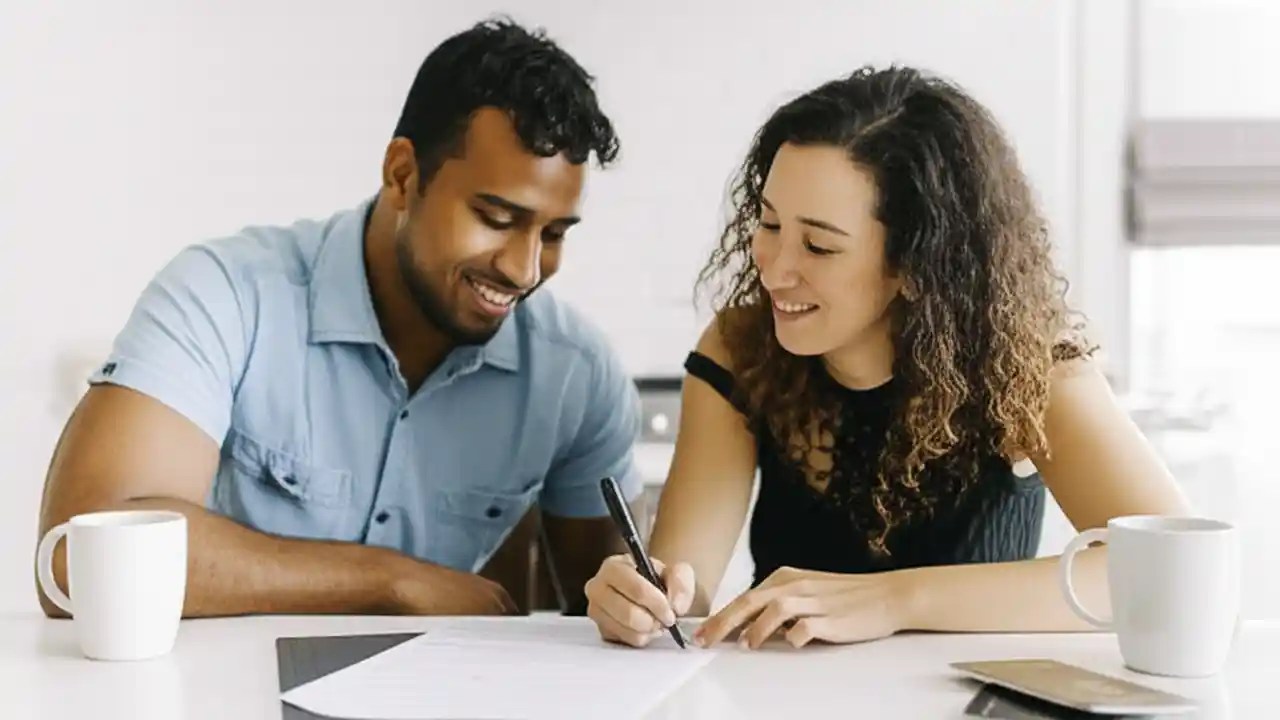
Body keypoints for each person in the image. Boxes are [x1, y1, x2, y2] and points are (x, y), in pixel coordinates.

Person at [37, 18, 642, 619]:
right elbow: (78, 561)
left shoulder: (576, 374)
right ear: (403, 175)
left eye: (555, 233)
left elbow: (612, 612)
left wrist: (640, 601)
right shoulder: (225, 294)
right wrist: (390, 581)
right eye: (496, 218)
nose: (525, 269)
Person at [584, 66, 1191, 649]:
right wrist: (641, 604)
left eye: (819, 246)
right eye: (768, 224)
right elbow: (683, 597)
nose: (772, 267)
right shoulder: (740, 347)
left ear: (917, 265)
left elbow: (1168, 575)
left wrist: (896, 599)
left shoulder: (1027, 365)